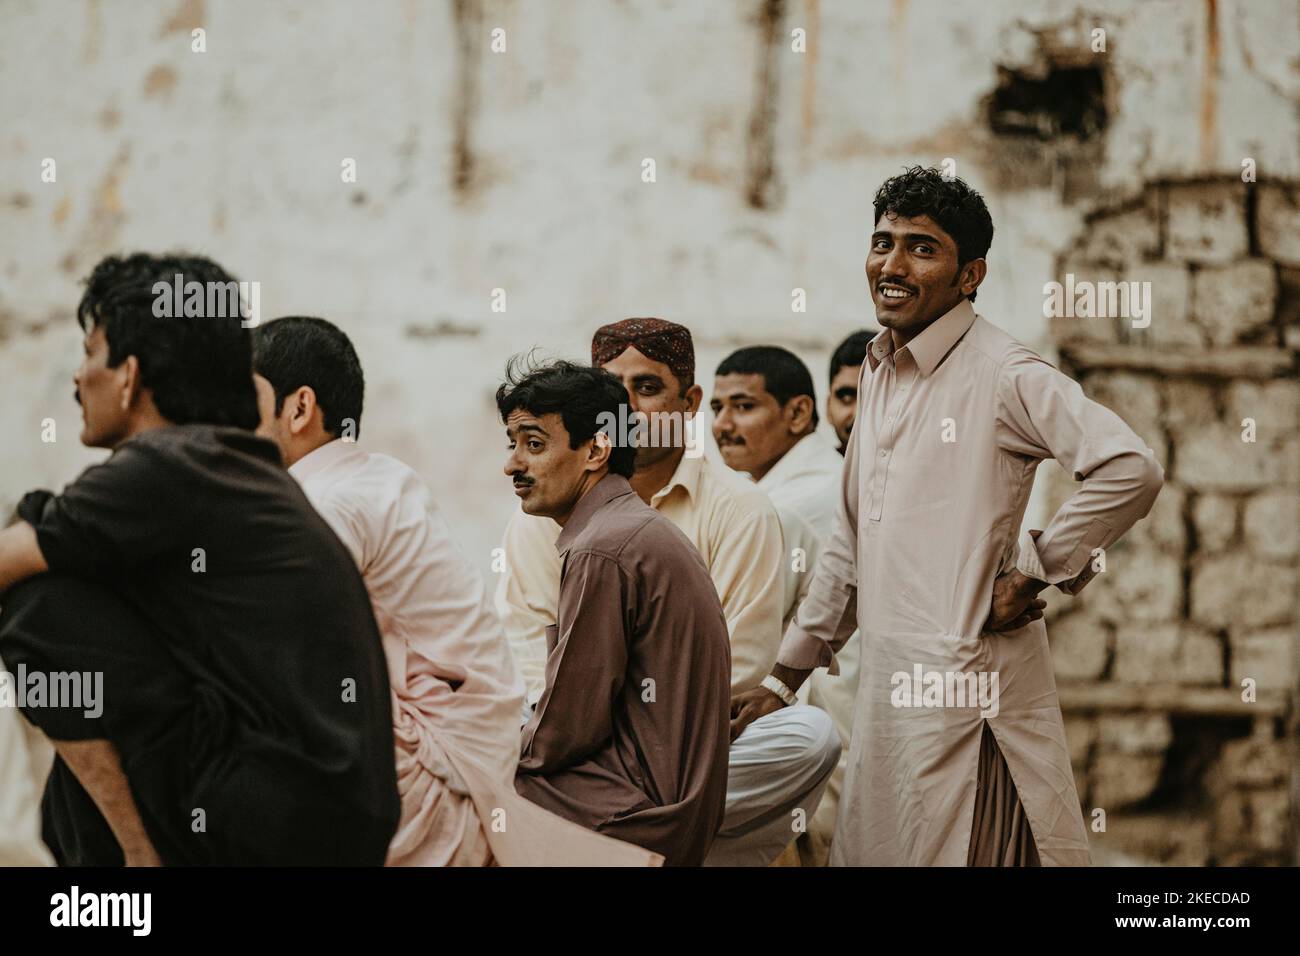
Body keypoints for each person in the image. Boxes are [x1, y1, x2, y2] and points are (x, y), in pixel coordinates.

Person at [731, 167, 1164, 866]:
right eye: (882, 242)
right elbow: (850, 541)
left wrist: (1034, 571)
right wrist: (785, 676)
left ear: (971, 275)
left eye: (921, 248)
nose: (892, 266)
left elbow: (1130, 468)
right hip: (887, 697)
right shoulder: (879, 369)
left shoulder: (1005, 372)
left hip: (969, 698)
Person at [0, 253, 399, 865]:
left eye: (88, 354)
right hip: (327, 812)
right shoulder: (224, 464)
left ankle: (142, 866)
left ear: (129, 375)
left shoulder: (168, 465)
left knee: (33, 603)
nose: (76, 378)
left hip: (282, 815)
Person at [252, 317, 655, 867]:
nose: (512, 464)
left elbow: (284, 655)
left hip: (438, 773)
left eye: (239, 401)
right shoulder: (378, 477)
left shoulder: (329, 504)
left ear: (298, 409)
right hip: (475, 750)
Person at [497, 319, 840, 866]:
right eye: (611, 391)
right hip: (613, 747)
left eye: (647, 389)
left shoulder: (717, 514)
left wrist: (503, 761)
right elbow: (535, 670)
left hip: (666, 757)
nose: (625, 409)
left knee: (811, 735)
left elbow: (731, 680)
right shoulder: (565, 517)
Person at [499, 358, 731, 866]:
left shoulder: (603, 547)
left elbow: (566, 729)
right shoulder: (624, 527)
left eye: (534, 444)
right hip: (666, 799)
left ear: (597, 449)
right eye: (512, 445)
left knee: (444, 775)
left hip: (641, 810)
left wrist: (487, 754)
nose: (513, 465)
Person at [710, 345, 856, 865]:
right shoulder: (787, 488)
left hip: (834, 710)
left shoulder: (793, 503)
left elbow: (737, 631)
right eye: (717, 407)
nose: (724, 424)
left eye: (744, 407)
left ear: (797, 414)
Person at [826, 330, 875, 455]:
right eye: (846, 398)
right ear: (828, 408)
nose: (857, 414)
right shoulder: (811, 471)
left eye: (874, 398)